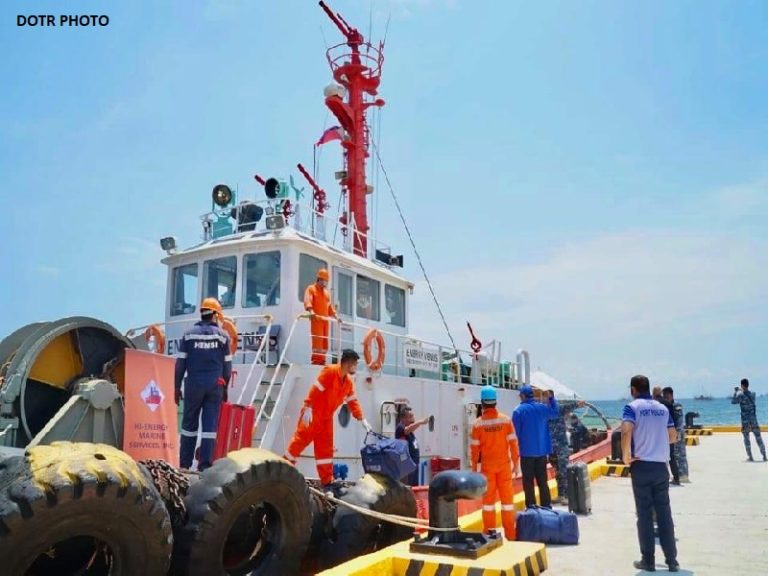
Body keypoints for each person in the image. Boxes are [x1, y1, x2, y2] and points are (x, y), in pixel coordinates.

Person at [284, 349, 372, 489]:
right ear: (348, 363)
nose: (356, 366)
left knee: (326, 450)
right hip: (313, 413)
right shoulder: (330, 371)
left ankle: (327, 481)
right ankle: (284, 469)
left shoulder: (348, 382)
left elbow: (352, 401)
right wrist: (308, 407)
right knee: (299, 442)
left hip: (326, 418)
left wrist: (362, 418)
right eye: (355, 363)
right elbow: (316, 389)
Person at [621, 374, 680, 573]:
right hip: (661, 467)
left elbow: (626, 430)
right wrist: (657, 442)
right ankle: (672, 560)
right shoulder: (663, 408)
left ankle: (648, 560)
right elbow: (673, 437)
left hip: (642, 467)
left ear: (633, 390)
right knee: (664, 513)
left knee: (644, 515)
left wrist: (626, 456)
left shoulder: (632, 407)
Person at [175, 297, 232, 471]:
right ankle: (205, 466)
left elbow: (180, 365)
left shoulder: (188, 334)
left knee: (188, 426)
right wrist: (225, 388)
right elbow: (227, 367)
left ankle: (184, 465)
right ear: (215, 314)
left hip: (193, 385)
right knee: (209, 427)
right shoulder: (223, 336)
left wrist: (176, 387)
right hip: (215, 385)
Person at [470, 385, 520, 540]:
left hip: (487, 469)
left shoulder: (477, 424)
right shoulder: (505, 420)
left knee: (488, 504)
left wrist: (474, 470)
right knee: (508, 503)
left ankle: (489, 534)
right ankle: (511, 535)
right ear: (495, 402)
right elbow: (513, 444)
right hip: (505, 467)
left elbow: (474, 451)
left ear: (483, 403)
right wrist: (516, 464)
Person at [512, 385, 559, 509]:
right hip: (542, 452)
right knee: (542, 481)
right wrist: (551, 399)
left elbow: (514, 434)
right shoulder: (542, 408)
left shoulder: (518, 411)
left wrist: (513, 453)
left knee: (528, 482)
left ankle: (531, 506)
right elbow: (555, 412)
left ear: (522, 396)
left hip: (527, 453)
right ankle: (546, 505)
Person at [548, 396, 584, 505]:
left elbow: (570, 405)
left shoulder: (559, 408)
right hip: (551, 448)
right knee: (558, 472)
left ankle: (568, 496)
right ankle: (560, 495)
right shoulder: (545, 411)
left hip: (561, 446)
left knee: (564, 471)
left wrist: (578, 403)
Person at [304, 268, 337, 365]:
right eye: (324, 280)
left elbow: (329, 307)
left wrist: (336, 316)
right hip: (317, 319)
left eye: (326, 281)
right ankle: (316, 360)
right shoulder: (311, 289)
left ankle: (322, 360)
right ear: (319, 279)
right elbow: (308, 300)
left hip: (325, 321)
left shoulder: (326, 293)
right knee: (317, 340)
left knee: (324, 341)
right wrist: (311, 311)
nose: (325, 283)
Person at [731, 378, 767, 462]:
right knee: (758, 437)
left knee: (746, 438)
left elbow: (733, 401)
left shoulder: (741, 395)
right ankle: (764, 455)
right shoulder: (753, 394)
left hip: (745, 420)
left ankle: (750, 457)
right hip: (754, 419)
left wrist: (736, 391)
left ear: (742, 385)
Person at [395, 405, 430, 486]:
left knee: (414, 486)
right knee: (408, 486)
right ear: (403, 419)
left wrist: (419, 423)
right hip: (407, 465)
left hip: (414, 464)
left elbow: (412, 428)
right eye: (410, 417)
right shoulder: (400, 427)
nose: (412, 419)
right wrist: (420, 422)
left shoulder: (409, 430)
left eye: (413, 416)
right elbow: (407, 429)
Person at [662, 386, 689, 483]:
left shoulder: (676, 405)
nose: (665, 397)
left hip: (678, 432)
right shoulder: (666, 405)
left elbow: (680, 420)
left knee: (680, 455)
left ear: (671, 395)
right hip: (671, 433)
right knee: (673, 456)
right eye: (664, 395)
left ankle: (683, 475)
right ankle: (677, 476)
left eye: (666, 395)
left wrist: (677, 432)